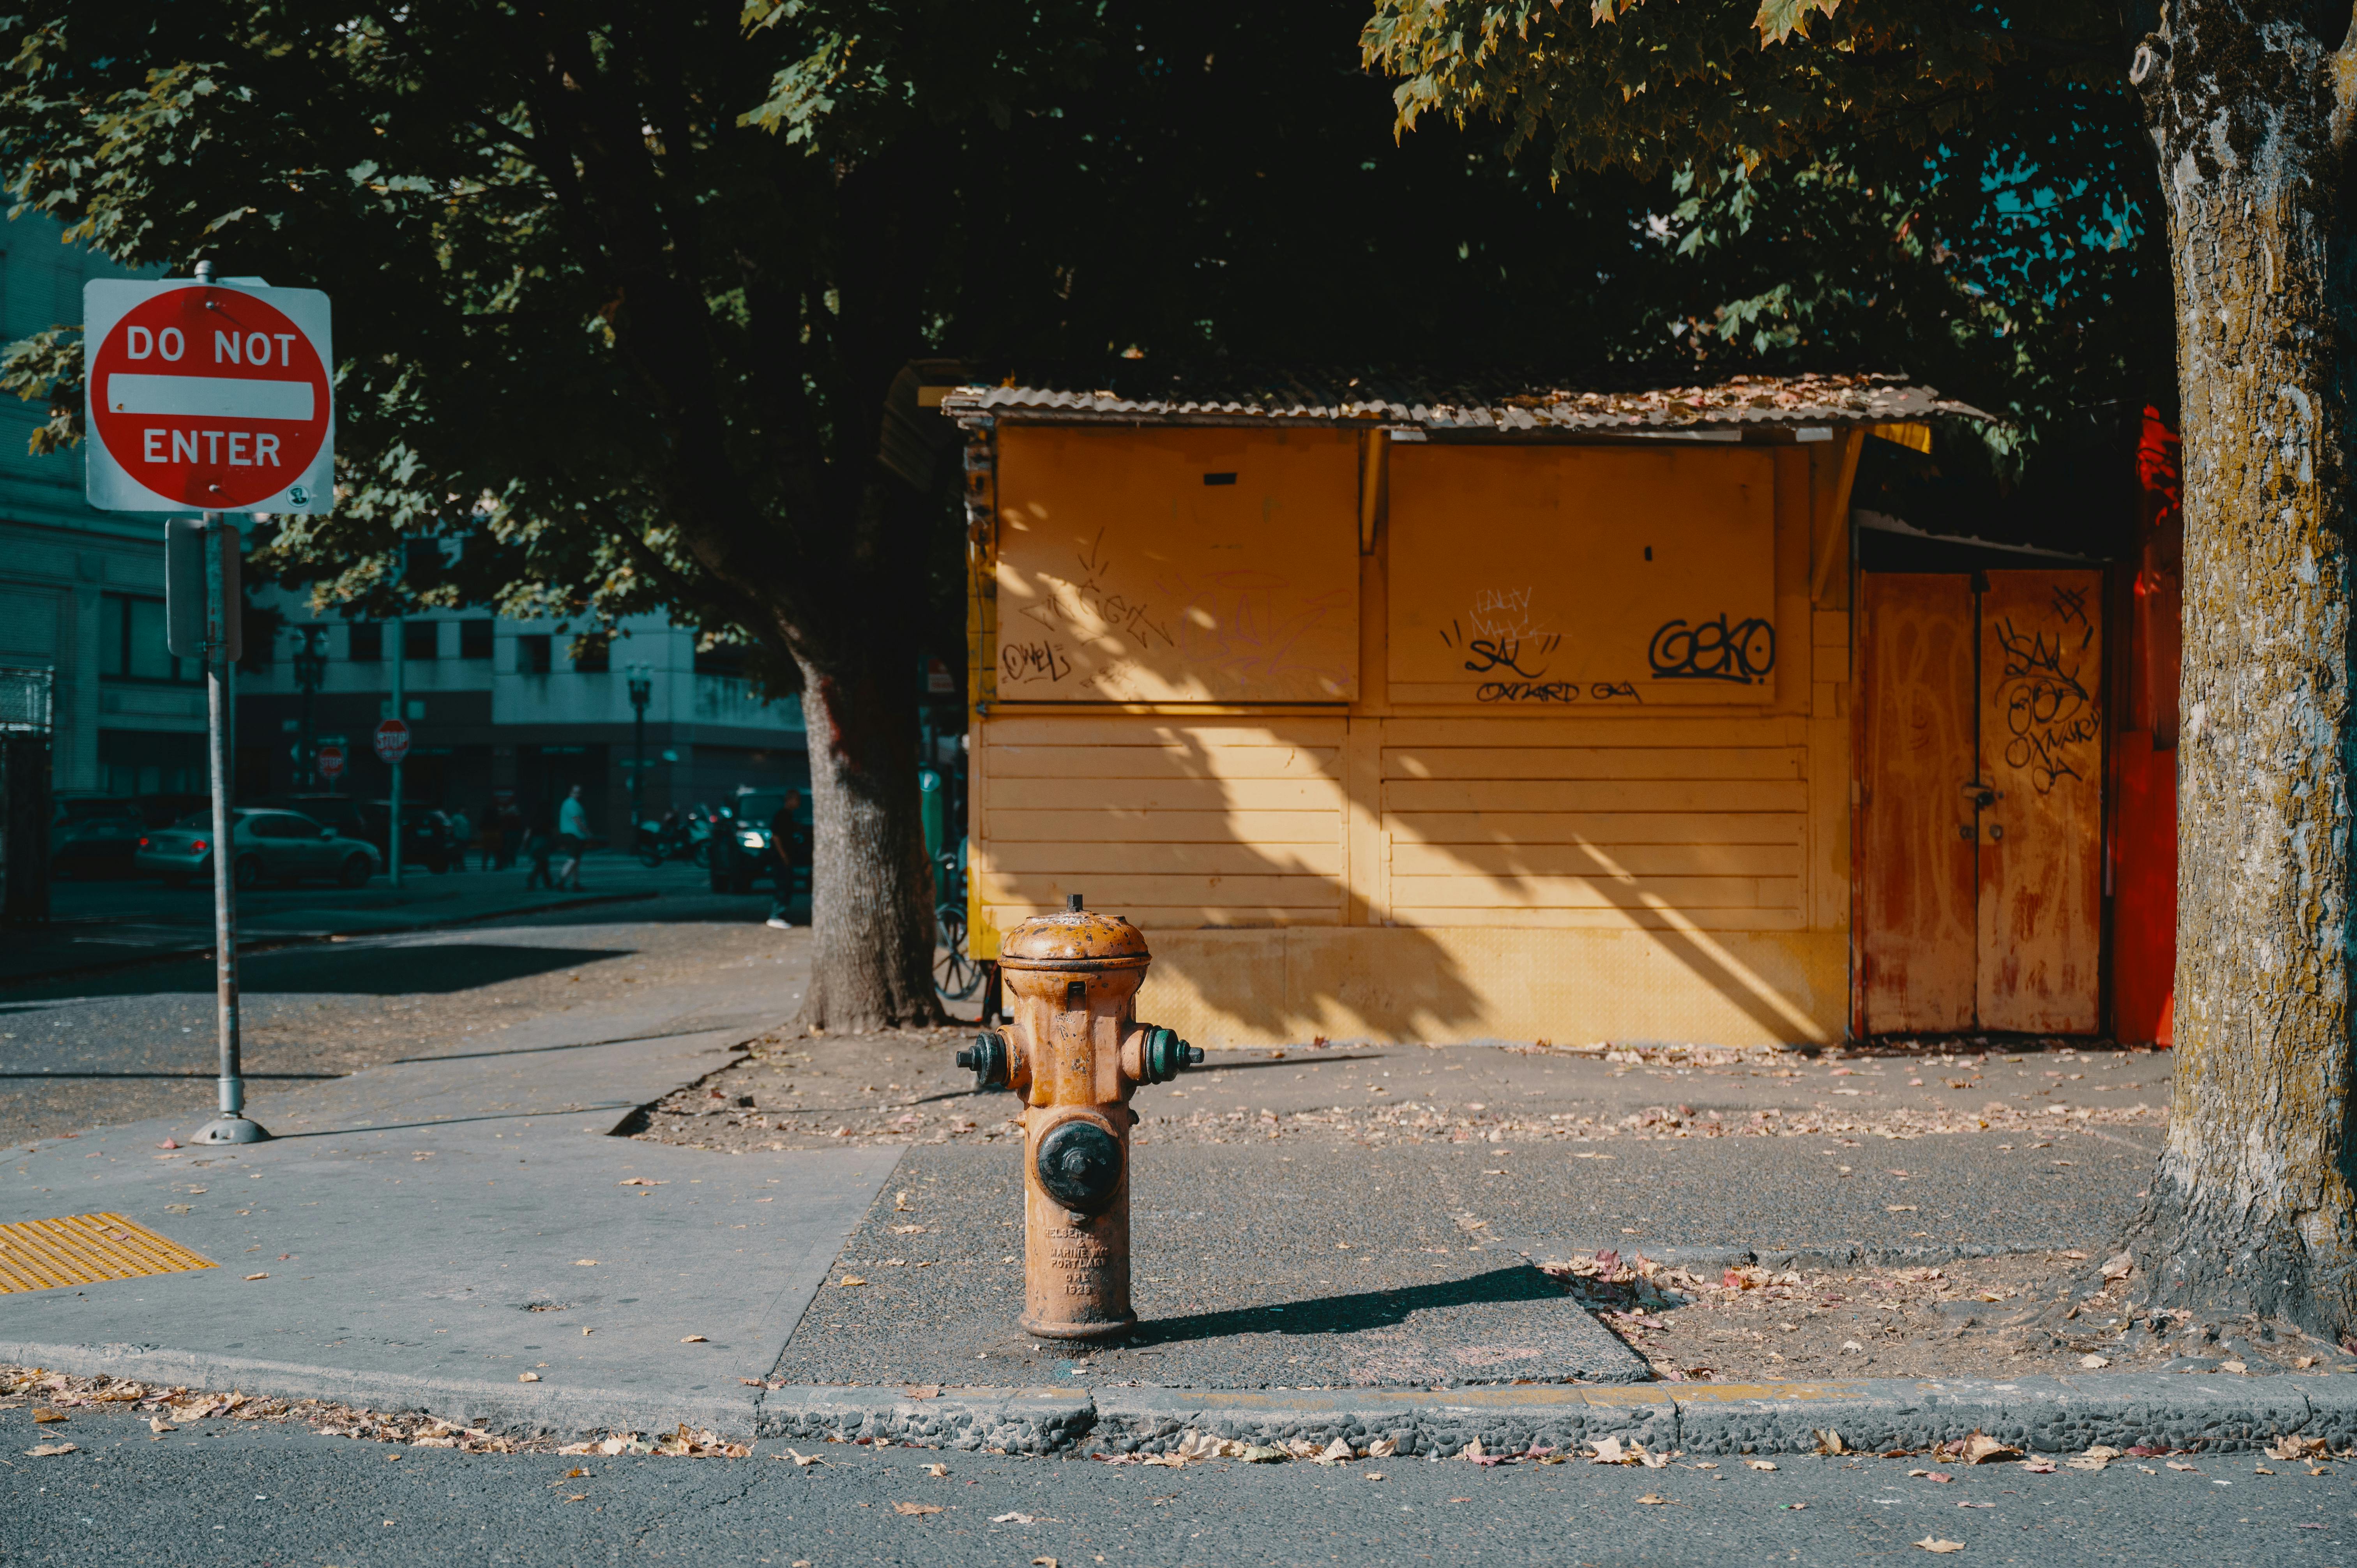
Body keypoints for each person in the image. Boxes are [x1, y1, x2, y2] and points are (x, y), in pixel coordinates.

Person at [765, 789, 810, 929]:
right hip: (781, 858)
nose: (799, 803)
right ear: (790, 800)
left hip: (784, 857)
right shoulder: (782, 816)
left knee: (787, 885)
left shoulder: (788, 816)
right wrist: (783, 855)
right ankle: (776, 915)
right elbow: (776, 837)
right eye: (797, 800)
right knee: (783, 886)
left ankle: (780, 915)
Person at [556, 784, 590, 890]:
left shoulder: (572, 803)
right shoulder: (571, 803)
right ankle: (561, 882)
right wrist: (587, 831)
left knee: (576, 860)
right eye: (576, 792)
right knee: (573, 859)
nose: (578, 794)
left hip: (574, 835)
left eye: (579, 792)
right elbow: (577, 820)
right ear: (571, 791)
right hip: (574, 835)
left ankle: (575, 883)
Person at [522, 798, 555, 890]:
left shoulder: (534, 818)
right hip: (544, 842)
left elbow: (528, 833)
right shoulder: (548, 818)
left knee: (543, 863)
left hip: (535, 842)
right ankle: (534, 879)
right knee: (543, 863)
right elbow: (554, 831)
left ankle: (547, 882)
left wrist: (524, 844)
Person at [443, 805, 473, 872]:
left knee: (459, 852)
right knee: (458, 852)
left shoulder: (463, 817)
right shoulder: (457, 817)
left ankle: (459, 865)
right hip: (458, 837)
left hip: (462, 837)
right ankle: (459, 865)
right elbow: (451, 826)